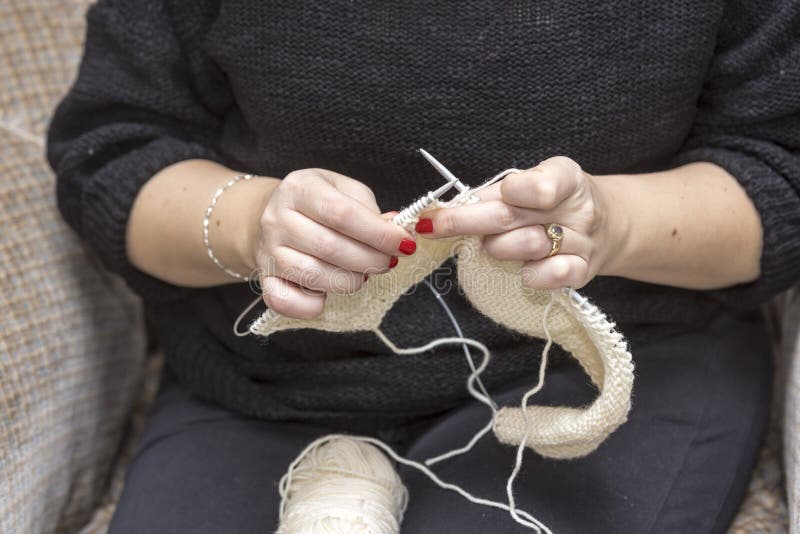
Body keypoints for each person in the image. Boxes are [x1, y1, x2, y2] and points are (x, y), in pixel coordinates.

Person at [47, 1, 800, 532]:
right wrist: (253, 225)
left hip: (608, 379)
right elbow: (113, 154)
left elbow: (778, 168)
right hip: (265, 387)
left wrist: (614, 224)